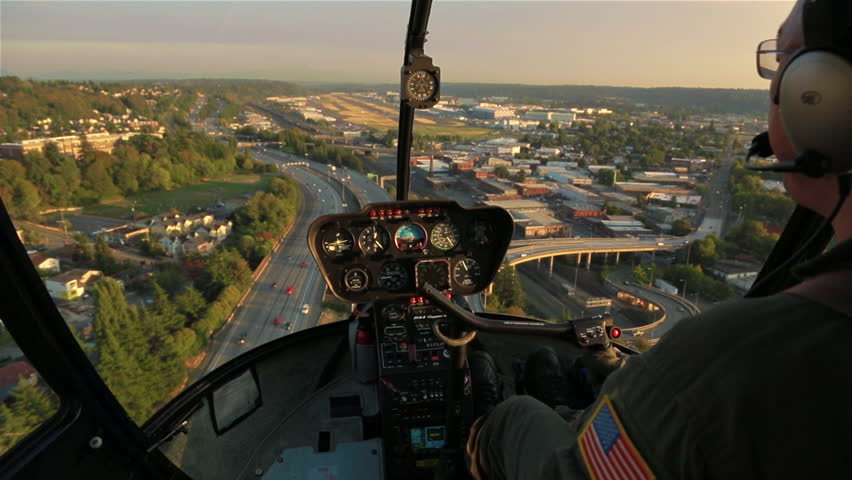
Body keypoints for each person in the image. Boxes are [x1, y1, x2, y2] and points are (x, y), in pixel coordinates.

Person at [466, 1, 852, 478]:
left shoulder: (722, 363)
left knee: (513, 418)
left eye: (787, 61)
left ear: (824, 97)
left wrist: (653, 390)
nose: (775, 85)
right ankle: (578, 405)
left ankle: (491, 417)